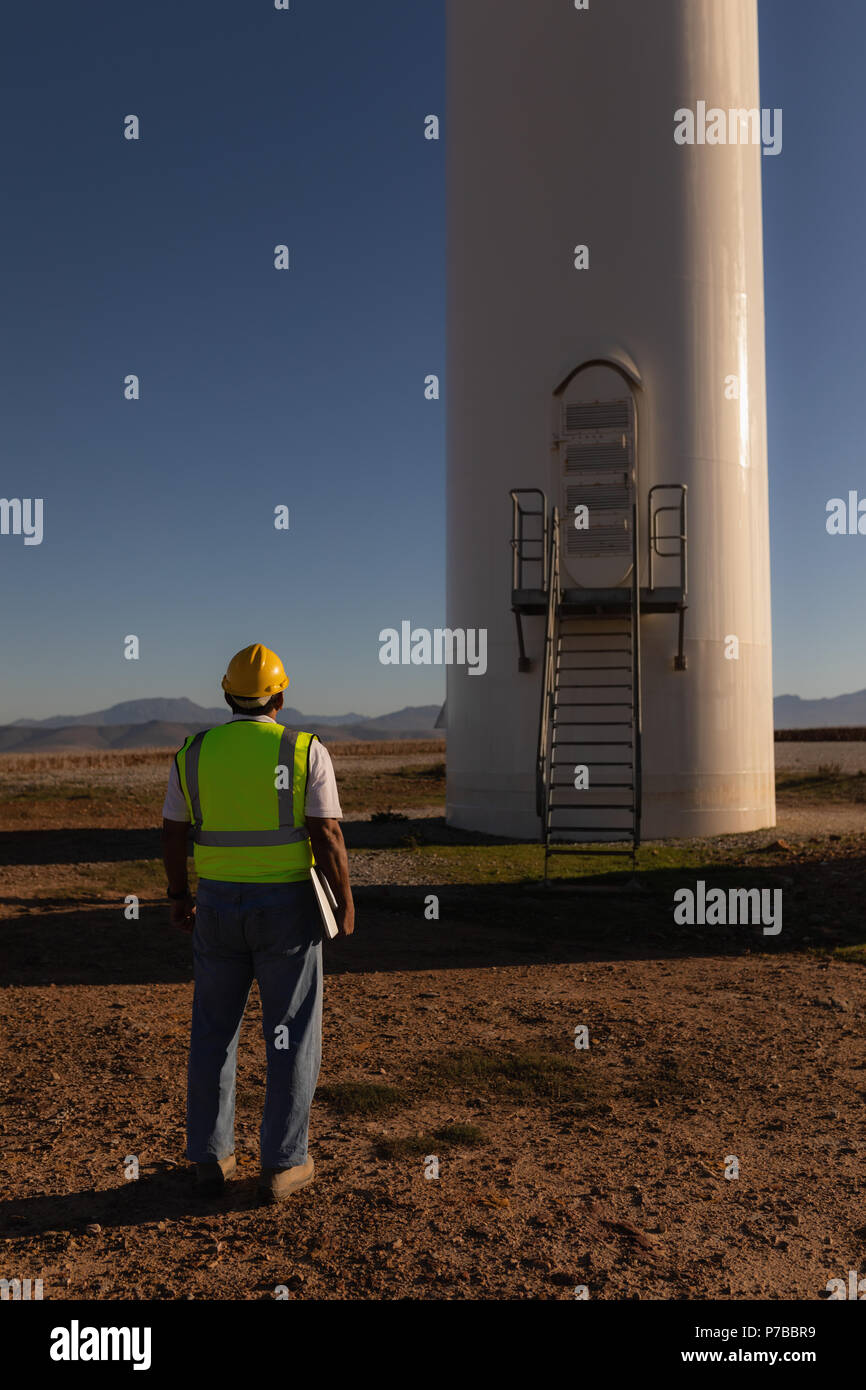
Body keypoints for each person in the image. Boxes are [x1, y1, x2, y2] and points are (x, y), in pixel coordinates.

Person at [161, 643, 354, 1203]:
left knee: (213, 1033)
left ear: (226, 694)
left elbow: (174, 834)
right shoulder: (305, 749)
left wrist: (180, 895)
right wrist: (344, 900)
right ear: (281, 695)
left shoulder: (192, 752)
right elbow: (328, 834)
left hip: (215, 908)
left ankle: (209, 1158)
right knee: (290, 1037)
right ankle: (282, 1166)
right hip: (287, 911)